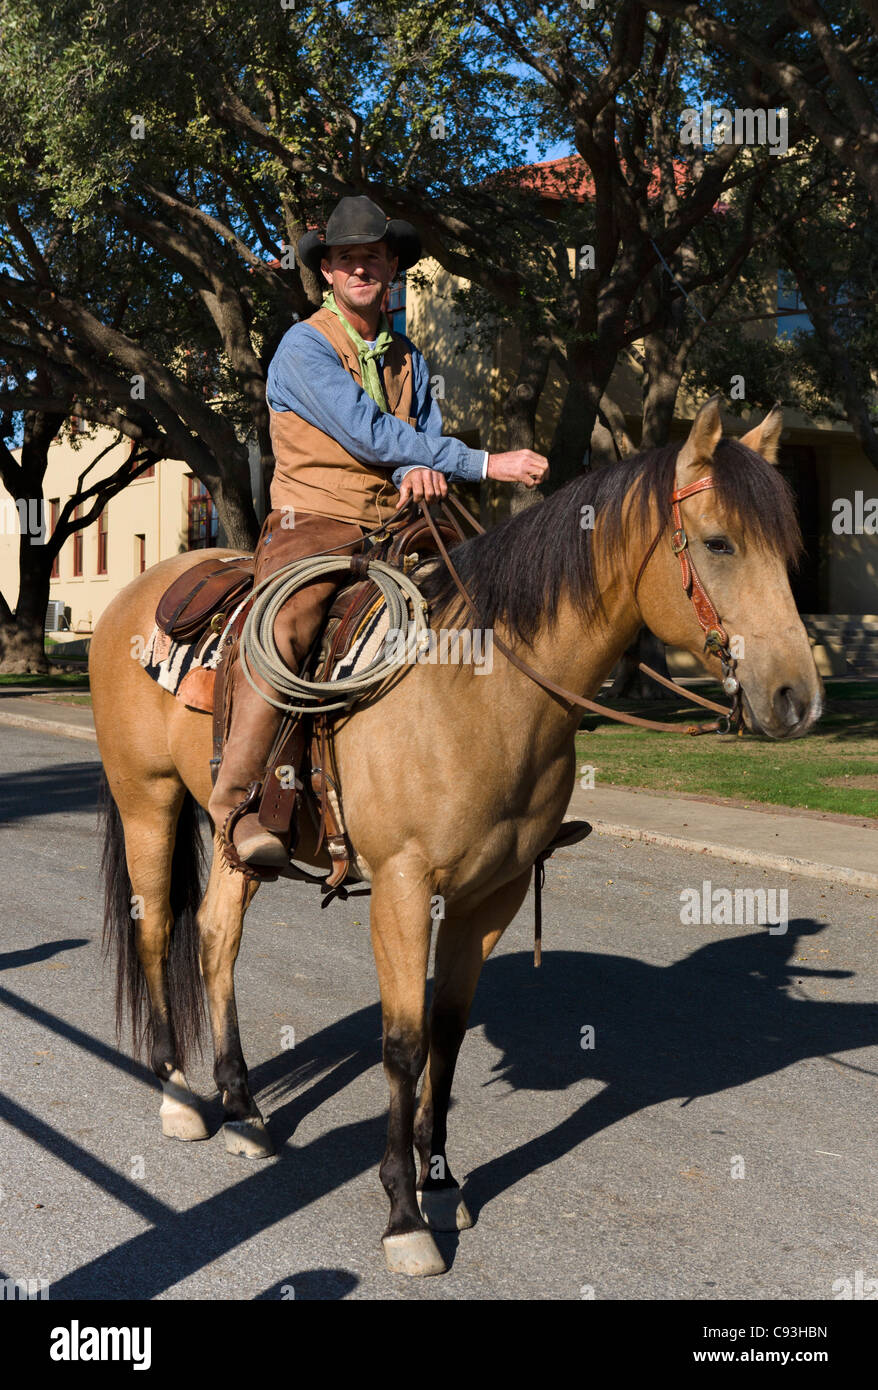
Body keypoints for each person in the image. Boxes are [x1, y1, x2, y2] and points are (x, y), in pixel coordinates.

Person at [208, 194, 548, 869]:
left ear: (392, 267)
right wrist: (486, 463)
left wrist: (416, 469)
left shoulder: (407, 356)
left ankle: (513, 795)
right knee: (288, 627)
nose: (360, 268)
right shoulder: (304, 347)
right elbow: (368, 432)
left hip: (398, 521)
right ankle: (238, 804)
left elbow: (415, 438)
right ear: (327, 271)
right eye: (347, 258)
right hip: (314, 523)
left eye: (373, 257)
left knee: (491, 605)